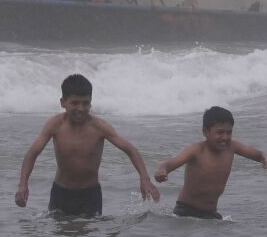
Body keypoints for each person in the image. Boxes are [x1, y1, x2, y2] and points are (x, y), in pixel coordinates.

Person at [15, 73, 160, 216]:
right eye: (74, 103)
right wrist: (23, 184)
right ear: (63, 102)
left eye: (85, 103)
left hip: (90, 194)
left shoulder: (99, 127)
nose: (80, 108)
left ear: (91, 102)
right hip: (61, 192)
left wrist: (144, 179)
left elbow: (130, 150)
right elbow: (32, 154)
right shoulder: (55, 125)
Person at [153, 106, 267, 219]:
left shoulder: (232, 147)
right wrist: (162, 170)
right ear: (205, 132)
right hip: (186, 211)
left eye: (229, 132)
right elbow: (170, 163)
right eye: (220, 132)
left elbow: (257, 154)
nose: (225, 137)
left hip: (211, 214)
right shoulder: (197, 150)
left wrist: (266, 158)